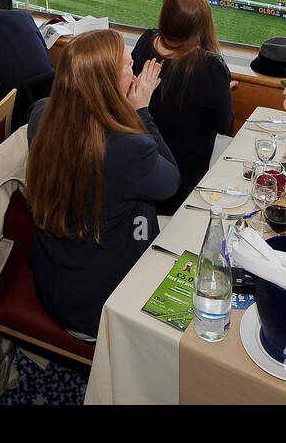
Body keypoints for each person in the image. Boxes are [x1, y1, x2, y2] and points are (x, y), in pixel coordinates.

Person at [25, 29, 178, 339]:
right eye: (126, 64)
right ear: (107, 84)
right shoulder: (129, 149)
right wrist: (141, 111)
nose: (134, 68)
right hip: (98, 308)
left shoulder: (42, 114)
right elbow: (171, 181)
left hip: (54, 283)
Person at [130, 0, 234, 211]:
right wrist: (222, 90)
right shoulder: (210, 68)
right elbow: (225, 125)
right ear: (203, 23)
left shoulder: (146, 40)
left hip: (140, 177)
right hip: (182, 190)